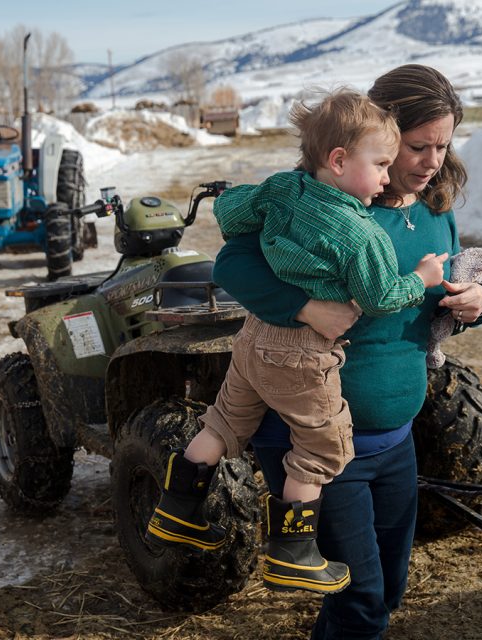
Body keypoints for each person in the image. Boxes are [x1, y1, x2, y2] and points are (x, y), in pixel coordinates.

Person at [213, 64, 482, 639]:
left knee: (388, 587)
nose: (432, 161)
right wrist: (304, 308)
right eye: (418, 147)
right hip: (316, 438)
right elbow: (232, 265)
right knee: (361, 600)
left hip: (395, 437)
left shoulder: (434, 210)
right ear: (383, 136)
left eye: (443, 146)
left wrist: (478, 301)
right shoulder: (322, 203)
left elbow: (434, 295)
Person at [146, 88, 449, 595]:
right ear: (338, 160)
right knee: (321, 448)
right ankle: (293, 553)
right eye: (380, 165)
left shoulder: (283, 188)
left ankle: (176, 513)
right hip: (303, 353)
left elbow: (233, 212)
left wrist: (268, 219)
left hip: (254, 340)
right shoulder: (361, 234)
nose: (383, 177)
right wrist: (422, 277)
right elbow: (378, 297)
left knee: (222, 423)